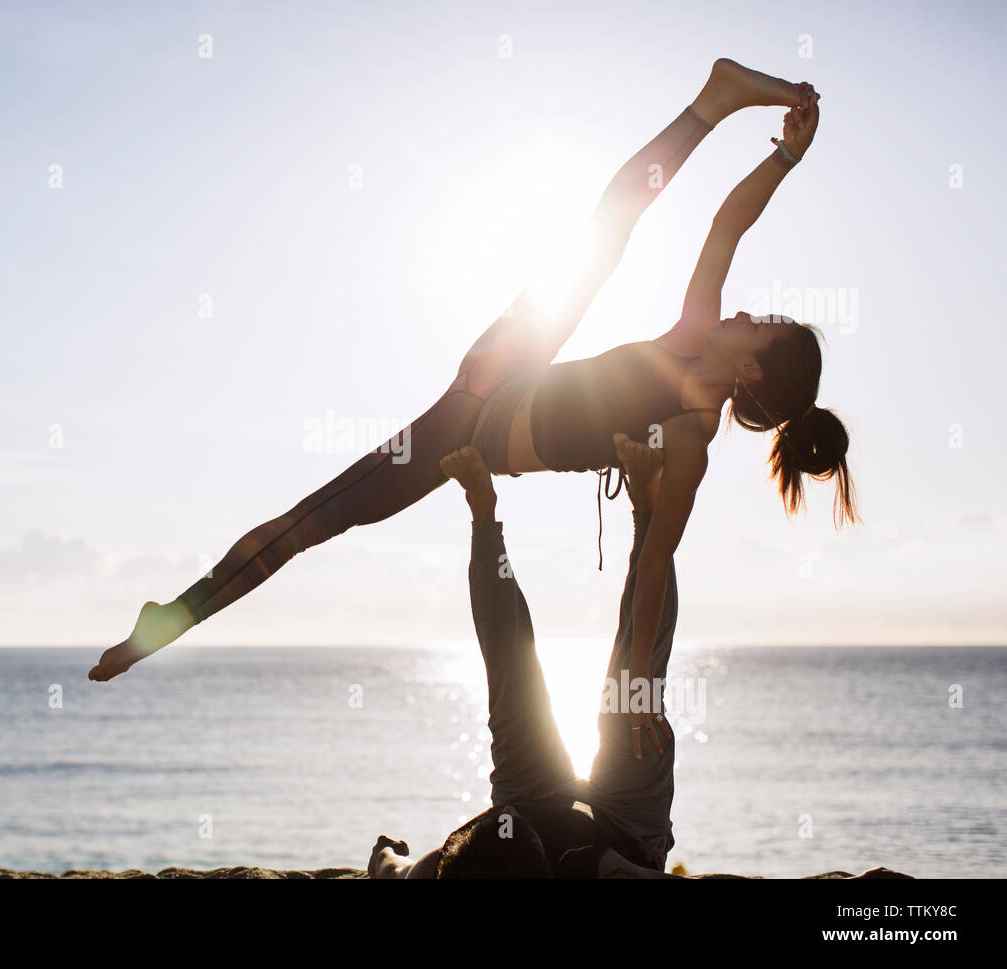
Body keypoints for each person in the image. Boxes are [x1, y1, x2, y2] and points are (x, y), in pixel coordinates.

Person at [91, 58, 857, 687]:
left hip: (477, 415)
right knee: (605, 235)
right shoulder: (694, 337)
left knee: (315, 523)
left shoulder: (690, 438)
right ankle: (711, 103)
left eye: (765, 323)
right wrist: (785, 155)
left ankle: (173, 616)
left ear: (754, 368)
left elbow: (654, 569)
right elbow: (728, 222)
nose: (751, 313)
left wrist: (641, 702)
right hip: (510, 370)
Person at [369, 441, 677, 878]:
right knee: (634, 696)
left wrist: (386, 851)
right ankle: (646, 502)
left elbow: (387, 869)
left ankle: (482, 515)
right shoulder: (595, 868)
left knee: (515, 683)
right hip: (625, 830)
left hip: (525, 802)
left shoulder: (439, 872)